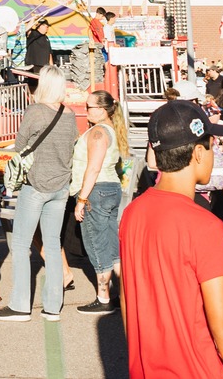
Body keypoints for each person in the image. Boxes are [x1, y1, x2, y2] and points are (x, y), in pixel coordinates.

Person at [116, 102, 223, 379]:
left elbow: (126, 300)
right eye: (212, 145)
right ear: (199, 152)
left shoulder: (132, 213)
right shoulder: (205, 225)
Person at [0, 67, 84, 322]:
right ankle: (53, 306)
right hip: (60, 186)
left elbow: (21, 146)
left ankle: (20, 305)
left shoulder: (35, 111)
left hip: (35, 186)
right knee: (53, 245)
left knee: (22, 245)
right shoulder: (68, 114)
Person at [72, 89, 131, 315]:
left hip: (96, 191)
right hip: (110, 188)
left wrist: (81, 199)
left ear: (102, 110)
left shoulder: (97, 132)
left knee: (96, 244)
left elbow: (93, 167)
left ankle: (103, 296)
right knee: (111, 245)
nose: (85, 110)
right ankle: (124, 293)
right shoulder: (108, 130)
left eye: (89, 107)